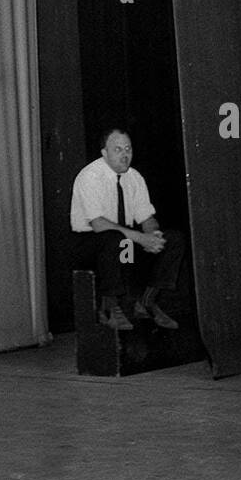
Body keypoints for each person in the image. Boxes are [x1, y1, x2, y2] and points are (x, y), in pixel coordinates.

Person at [70, 128, 186, 330]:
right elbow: (98, 224)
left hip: (125, 243)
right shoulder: (90, 176)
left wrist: (153, 236)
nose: (125, 155)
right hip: (90, 243)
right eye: (117, 150)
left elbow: (146, 217)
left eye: (128, 149)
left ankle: (147, 301)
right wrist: (141, 239)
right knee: (113, 239)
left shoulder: (135, 177)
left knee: (173, 239)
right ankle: (109, 308)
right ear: (104, 153)